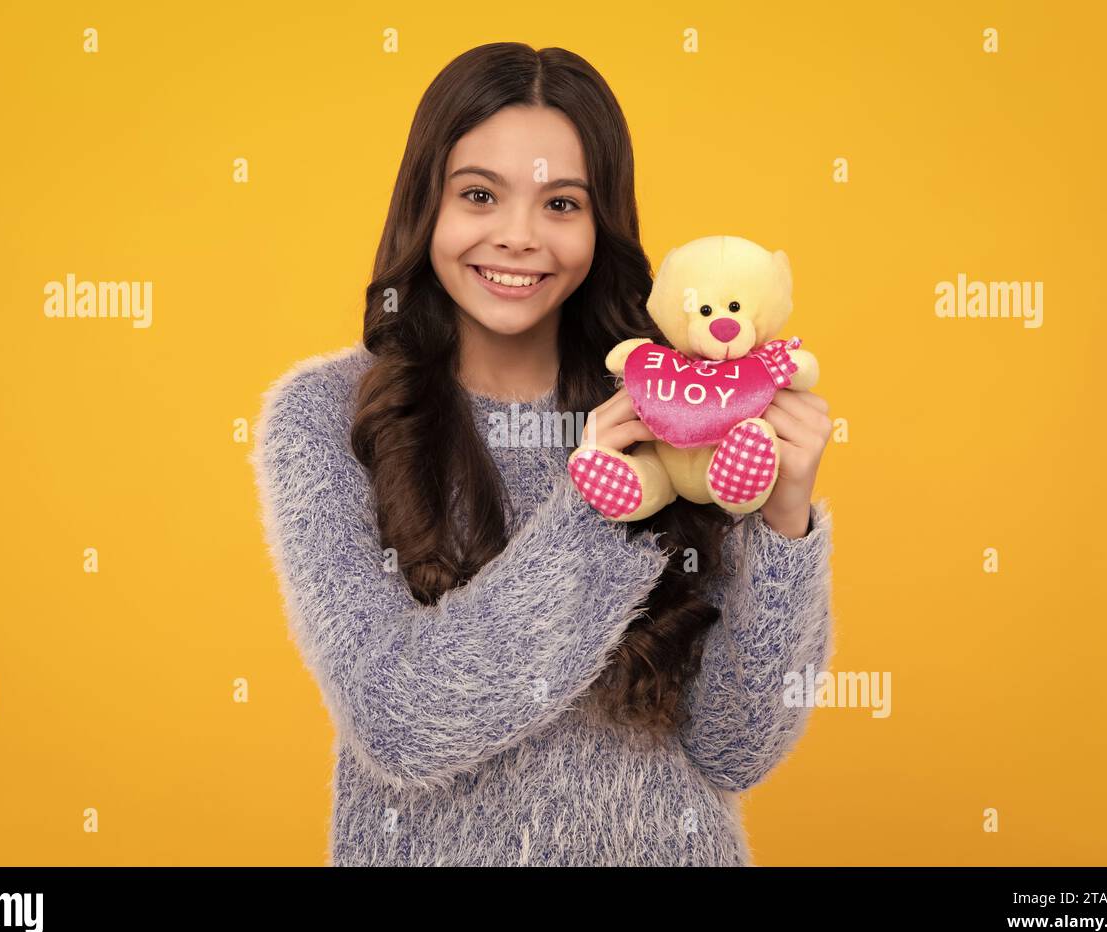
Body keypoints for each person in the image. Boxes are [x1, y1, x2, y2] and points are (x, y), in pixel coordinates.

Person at [251, 42, 835, 866]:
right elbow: (398, 722)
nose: (519, 237)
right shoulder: (325, 417)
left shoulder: (682, 408)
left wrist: (784, 527)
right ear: (427, 204)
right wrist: (600, 503)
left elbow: (736, 749)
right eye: (481, 195)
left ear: (602, 226)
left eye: (562, 204)